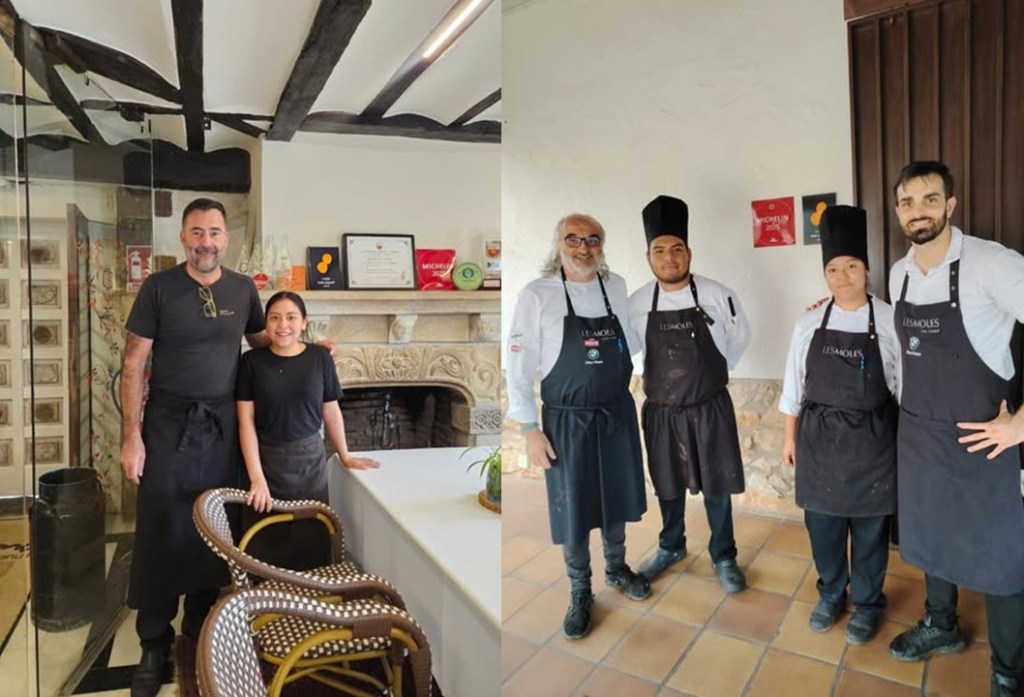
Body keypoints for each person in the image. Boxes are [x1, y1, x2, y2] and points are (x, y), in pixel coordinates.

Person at [885, 161, 1024, 697]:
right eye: (907, 202)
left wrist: (1020, 426)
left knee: (1004, 558)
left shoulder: (993, 264)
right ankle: (941, 625)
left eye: (929, 199)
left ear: (950, 204)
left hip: (984, 442)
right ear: (898, 211)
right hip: (920, 438)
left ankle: (1009, 670)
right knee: (931, 537)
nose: (917, 211)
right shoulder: (898, 273)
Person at [120, 198, 267, 697]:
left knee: (213, 528)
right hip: (167, 426)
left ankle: (198, 621)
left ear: (227, 238)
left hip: (221, 428)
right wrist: (132, 437)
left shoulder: (243, 290)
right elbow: (134, 362)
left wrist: (310, 348)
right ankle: (153, 641)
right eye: (197, 232)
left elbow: (263, 342)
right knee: (162, 527)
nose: (206, 242)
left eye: (215, 232)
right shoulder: (158, 288)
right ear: (183, 237)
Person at [506, 213, 650, 641]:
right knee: (573, 506)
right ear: (558, 244)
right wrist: (529, 429)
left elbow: (633, 337)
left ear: (602, 245)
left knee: (616, 497)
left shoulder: (616, 286)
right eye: (573, 239)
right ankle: (580, 590)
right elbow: (518, 367)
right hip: (566, 420)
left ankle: (617, 568)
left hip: (616, 413)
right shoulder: (537, 295)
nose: (583, 247)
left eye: (592, 239)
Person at [779, 205, 899, 644]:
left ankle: (867, 604)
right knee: (824, 529)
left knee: (870, 532)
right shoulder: (809, 321)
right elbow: (793, 385)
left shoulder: (890, 320)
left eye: (851, 266)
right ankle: (831, 593)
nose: (842, 276)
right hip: (819, 442)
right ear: (825, 274)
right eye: (833, 268)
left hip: (873, 442)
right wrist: (789, 437)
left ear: (866, 270)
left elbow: (903, 387)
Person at [627, 195, 751, 593]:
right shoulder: (636, 304)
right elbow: (629, 349)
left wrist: (708, 379)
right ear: (648, 257)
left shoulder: (719, 295)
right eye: (659, 250)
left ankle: (724, 554)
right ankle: (671, 545)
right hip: (662, 411)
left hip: (710, 408)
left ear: (689, 252)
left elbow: (739, 339)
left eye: (677, 249)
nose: (669, 258)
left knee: (718, 485)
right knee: (667, 482)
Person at [235, 291, 379, 570]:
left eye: (291, 317)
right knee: (265, 543)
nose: (283, 325)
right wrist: (256, 478)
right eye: (274, 318)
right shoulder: (251, 362)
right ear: (266, 324)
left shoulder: (320, 358)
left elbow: (331, 410)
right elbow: (246, 422)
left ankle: (311, 594)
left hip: (309, 464)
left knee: (311, 539)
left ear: (304, 322)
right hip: (265, 461)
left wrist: (345, 455)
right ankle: (268, 594)